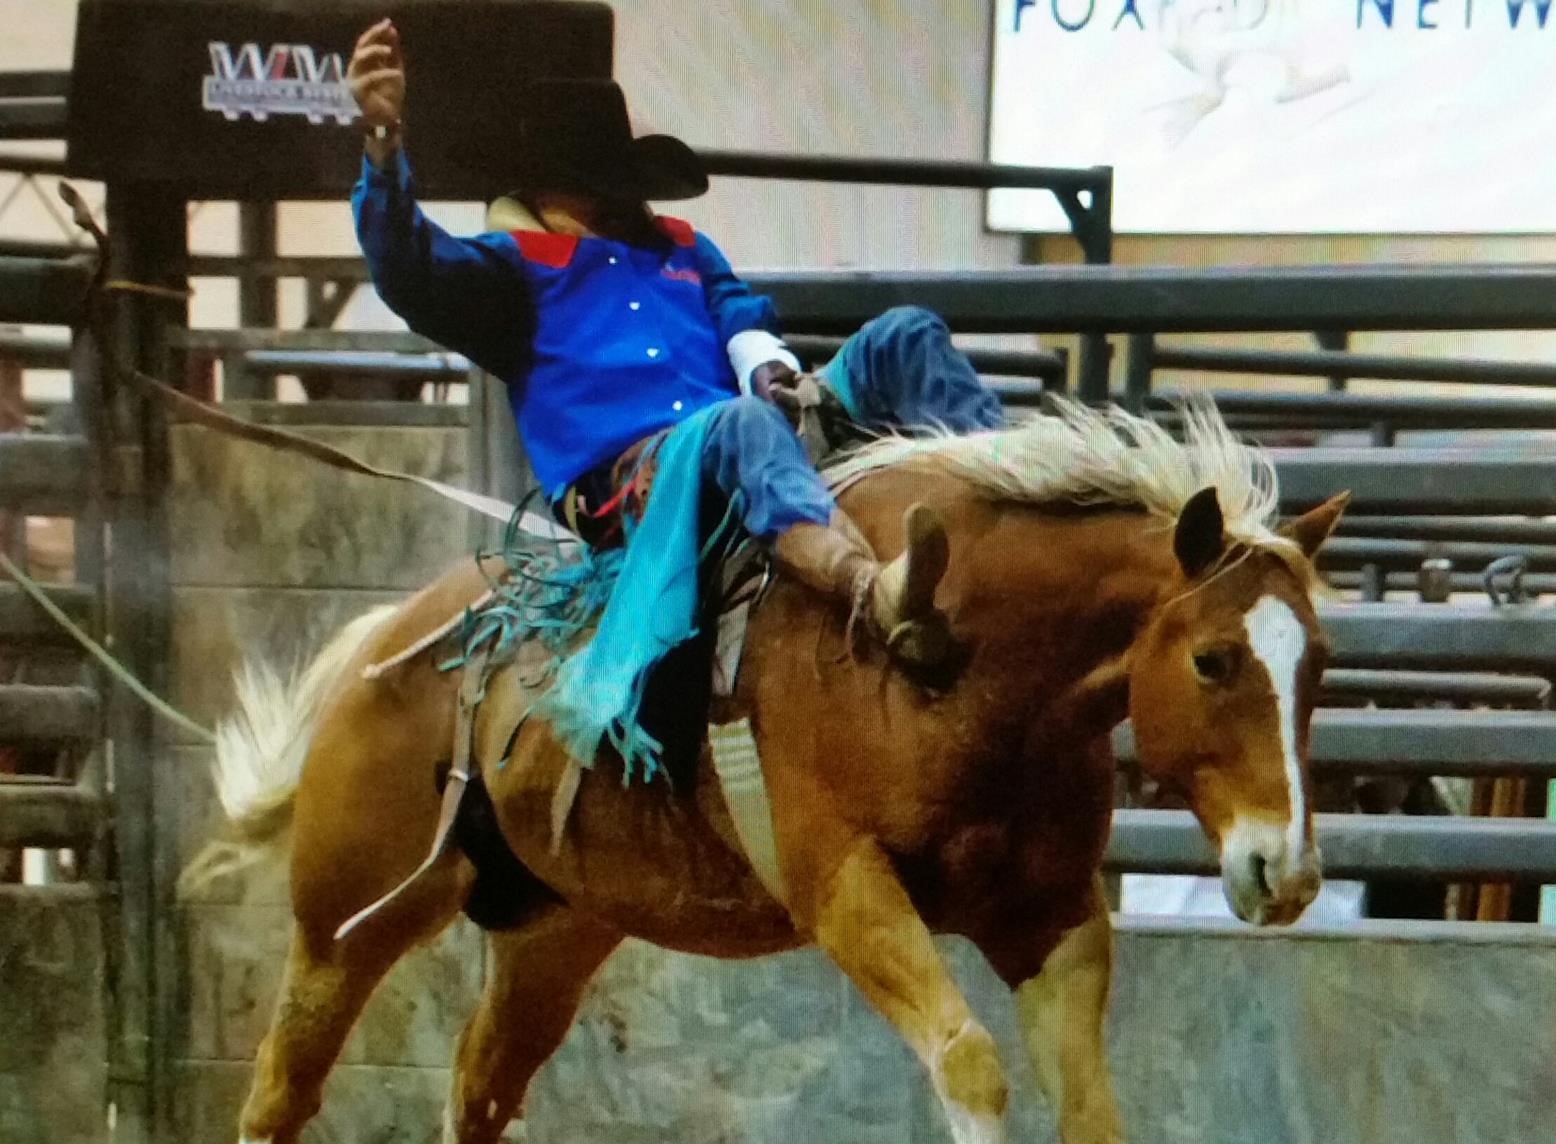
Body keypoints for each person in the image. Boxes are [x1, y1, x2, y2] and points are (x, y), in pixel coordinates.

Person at [347, 19, 1003, 668]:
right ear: (546, 187)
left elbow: (739, 313)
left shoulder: (684, 247)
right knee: (740, 425)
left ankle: (1018, 496)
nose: (613, 198)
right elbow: (410, 271)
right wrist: (382, 143)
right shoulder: (511, 268)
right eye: (594, 181)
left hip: (747, 431)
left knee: (905, 334)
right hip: (633, 479)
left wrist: (773, 371)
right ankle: (869, 588)